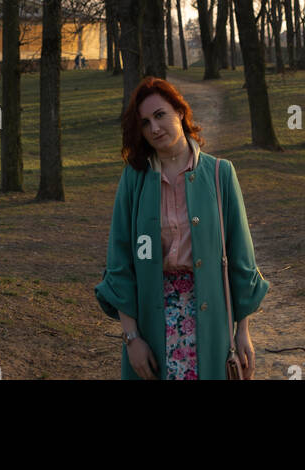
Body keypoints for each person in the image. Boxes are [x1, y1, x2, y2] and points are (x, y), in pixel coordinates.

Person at [95, 75, 268, 380]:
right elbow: (120, 262)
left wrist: (243, 331)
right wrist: (132, 339)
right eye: (145, 123)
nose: (155, 128)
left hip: (212, 322)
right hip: (151, 321)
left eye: (160, 115)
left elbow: (240, 258)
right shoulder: (134, 180)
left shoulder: (220, 174)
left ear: (180, 111)